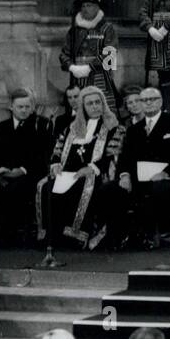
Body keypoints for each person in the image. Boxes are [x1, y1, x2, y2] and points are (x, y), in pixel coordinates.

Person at [35, 85, 124, 258]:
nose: (95, 106)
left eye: (98, 102)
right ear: (83, 107)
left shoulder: (114, 127)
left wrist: (91, 168)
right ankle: (52, 236)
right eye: (90, 103)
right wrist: (55, 165)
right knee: (45, 186)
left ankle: (76, 236)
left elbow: (113, 156)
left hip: (96, 173)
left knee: (83, 186)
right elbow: (57, 150)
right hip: (67, 173)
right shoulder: (71, 128)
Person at [0, 89, 54, 243]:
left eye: (27, 106)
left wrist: (22, 170)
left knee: (14, 189)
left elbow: (43, 155)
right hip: (3, 173)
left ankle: (7, 233)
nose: (24, 110)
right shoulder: (1, 127)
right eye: (20, 107)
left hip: (29, 173)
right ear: (11, 107)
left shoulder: (41, 125)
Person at [115, 86, 170, 247]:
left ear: (160, 102)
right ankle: (121, 236)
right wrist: (124, 176)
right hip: (138, 177)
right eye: (144, 100)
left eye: (151, 99)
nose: (147, 103)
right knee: (111, 189)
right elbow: (125, 158)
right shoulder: (133, 130)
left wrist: (165, 173)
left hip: (166, 176)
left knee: (158, 187)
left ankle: (158, 234)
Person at [59, 0, 120, 116]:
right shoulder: (74, 31)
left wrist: (90, 67)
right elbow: (64, 54)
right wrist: (72, 67)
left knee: (103, 110)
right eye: (83, 6)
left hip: (100, 77)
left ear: (97, 7)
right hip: (77, 79)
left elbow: (110, 54)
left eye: (90, 5)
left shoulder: (106, 29)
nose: (85, 9)